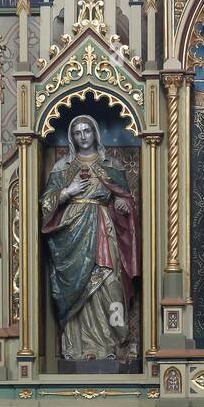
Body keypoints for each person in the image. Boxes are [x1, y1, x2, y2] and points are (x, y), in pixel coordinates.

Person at [41, 115, 139, 363]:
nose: (82, 136)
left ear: (95, 133)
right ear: (72, 137)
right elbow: (45, 204)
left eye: (87, 131)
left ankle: (115, 342)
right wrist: (67, 192)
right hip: (71, 235)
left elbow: (126, 198)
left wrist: (121, 203)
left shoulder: (111, 165)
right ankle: (78, 348)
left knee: (110, 284)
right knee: (79, 291)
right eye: (77, 132)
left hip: (104, 229)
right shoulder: (62, 167)